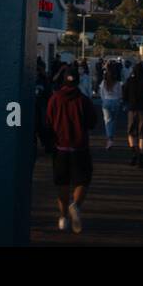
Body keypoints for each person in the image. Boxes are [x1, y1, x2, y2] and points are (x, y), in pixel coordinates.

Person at [46, 65, 96, 234]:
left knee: (62, 183)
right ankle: (75, 205)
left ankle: (63, 217)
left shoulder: (55, 99)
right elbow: (92, 122)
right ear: (78, 80)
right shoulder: (83, 100)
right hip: (80, 147)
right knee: (82, 180)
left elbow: (48, 121)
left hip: (60, 147)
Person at [122, 61, 143, 168]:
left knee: (131, 133)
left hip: (132, 109)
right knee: (142, 134)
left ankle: (134, 153)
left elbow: (124, 95)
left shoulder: (130, 81)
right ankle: (141, 156)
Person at [99, 65, 122, 149]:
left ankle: (109, 138)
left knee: (107, 121)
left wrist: (104, 100)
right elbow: (120, 94)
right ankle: (111, 137)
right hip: (115, 102)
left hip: (106, 102)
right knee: (113, 121)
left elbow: (101, 93)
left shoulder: (103, 82)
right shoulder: (118, 83)